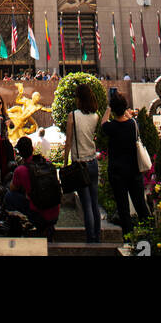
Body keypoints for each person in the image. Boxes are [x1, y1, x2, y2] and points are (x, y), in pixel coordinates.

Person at [99, 91, 149, 236]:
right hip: (134, 171)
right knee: (140, 205)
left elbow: (103, 122)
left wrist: (109, 108)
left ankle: (129, 237)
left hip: (117, 173)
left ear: (113, 110)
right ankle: (149, 234)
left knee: (123, 208)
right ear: (125, 108)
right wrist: (124, 110)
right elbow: (129, 118)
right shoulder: (132, 124)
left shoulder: (111, 127)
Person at [3, 136, 61, 238]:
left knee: (9, 196)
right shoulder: (47, 163)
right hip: (55, 215)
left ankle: (16, 228)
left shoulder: (20, 170)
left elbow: (12, 188)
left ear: (19, 153)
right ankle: (47, 225)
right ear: (33, 149)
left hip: (39, 217)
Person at [65, 82, 102, 244]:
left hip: (80, 164)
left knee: (86, 204)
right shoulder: (96, 116)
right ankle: (98, 237)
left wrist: (65, 160)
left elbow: (68, 141)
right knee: (95, 203)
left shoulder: (73, 116)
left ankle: (91, 239)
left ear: (79, 98)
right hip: (93, 162)